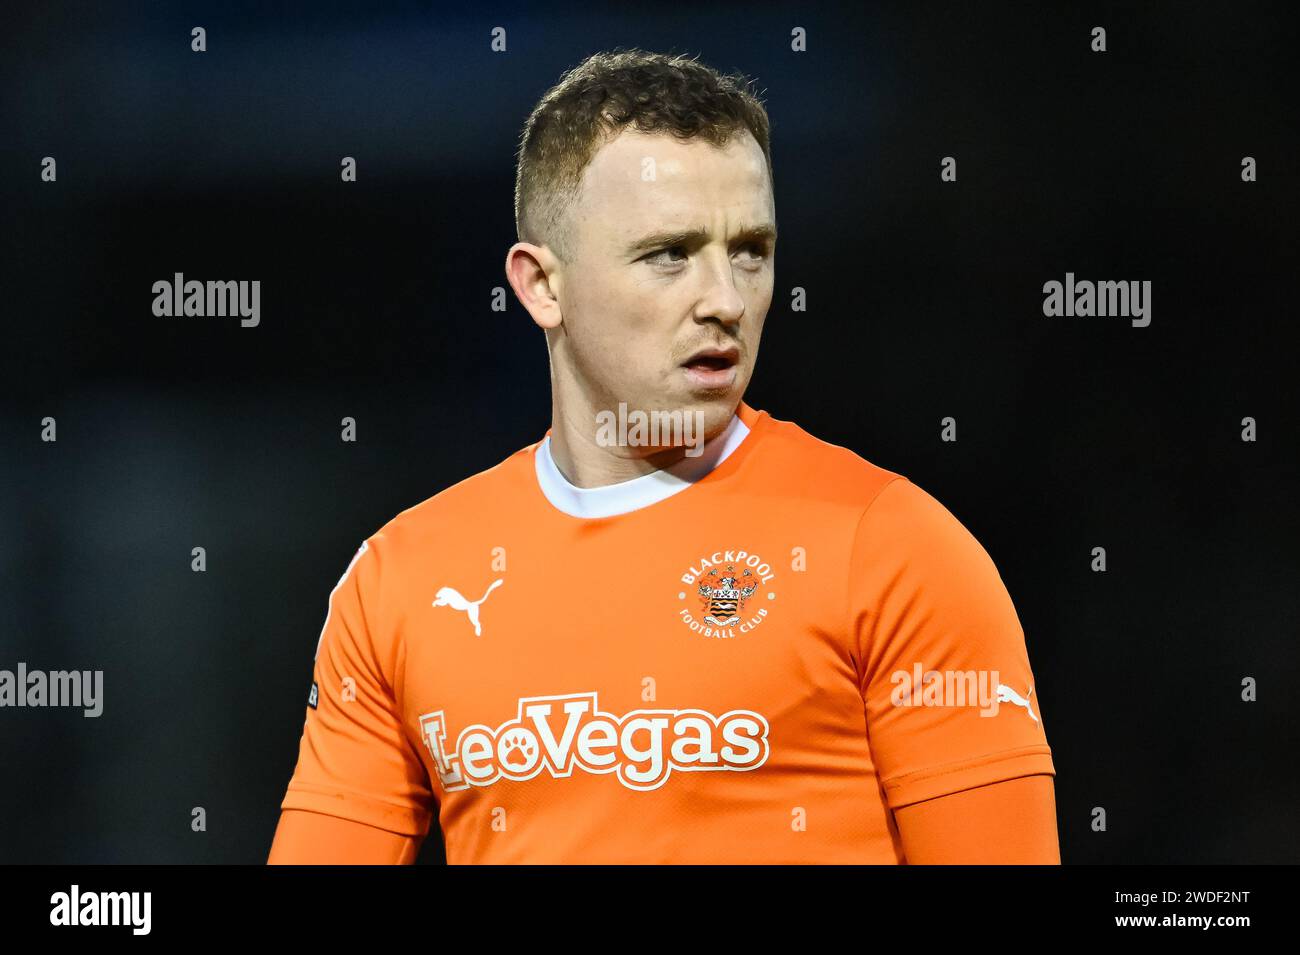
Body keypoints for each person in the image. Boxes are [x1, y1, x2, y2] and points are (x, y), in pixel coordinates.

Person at [268, 49, 1058, 864]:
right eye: (669, 253)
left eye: (750, 249)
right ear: (542, 285)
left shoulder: (894, 552)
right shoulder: (399, 581)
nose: (723, 298)